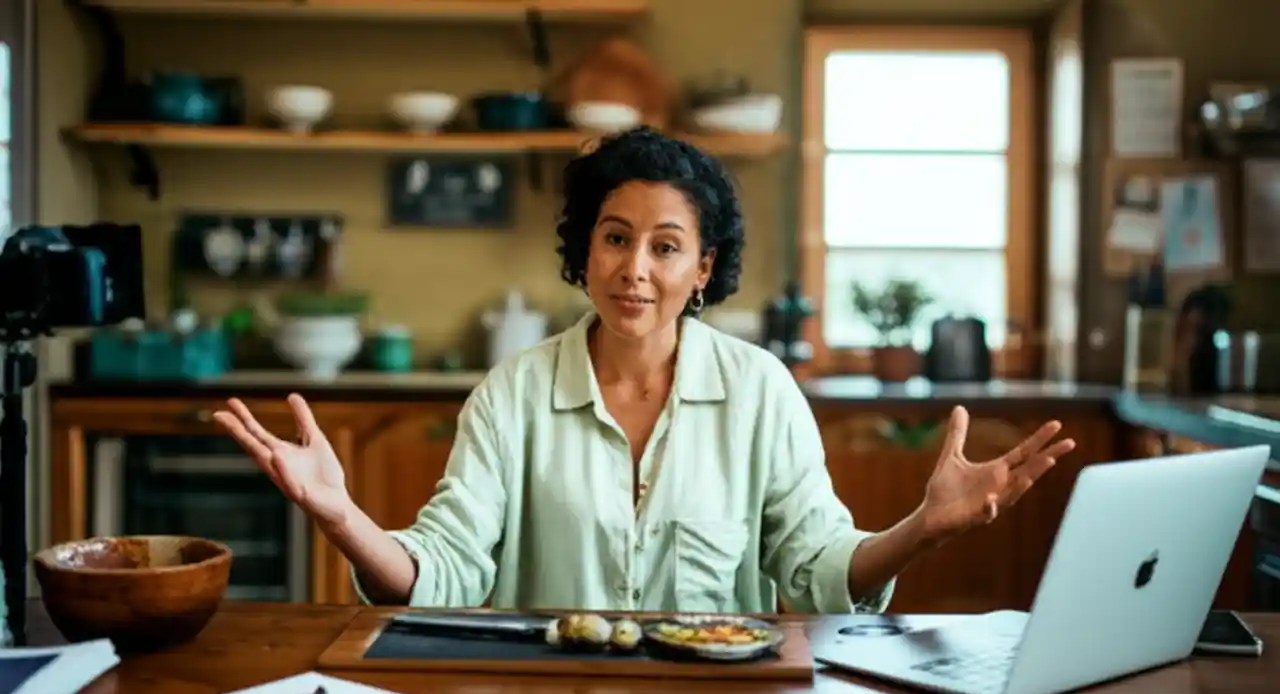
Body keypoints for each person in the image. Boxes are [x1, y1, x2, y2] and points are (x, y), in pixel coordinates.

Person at [214, 128, 1075, 614]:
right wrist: (340, 515)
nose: (635, 269)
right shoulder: (511, 394)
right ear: (584, 250)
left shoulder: (761, 390)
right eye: (615, 237)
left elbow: (816, 570)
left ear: (703, 269)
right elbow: (443, 572)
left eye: (666, 247)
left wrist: (920, 530)